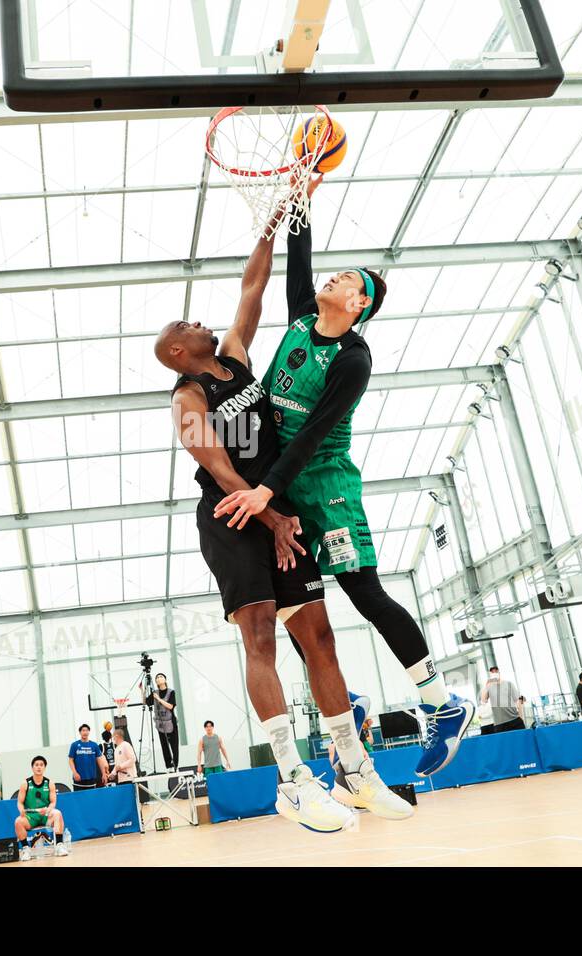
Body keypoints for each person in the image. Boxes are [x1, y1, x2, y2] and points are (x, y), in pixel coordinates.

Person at [154, 208, 411, 831]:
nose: (199, 320)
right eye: (186, 326)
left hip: (276, 507)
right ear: (178, 353)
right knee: (263, 634)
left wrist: (272, 226)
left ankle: (354, 769)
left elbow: (254, 287)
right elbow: (216, 467)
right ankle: (293, 779)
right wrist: (268, 515)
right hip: (233, 517)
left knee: (319, 636)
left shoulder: (236, 355)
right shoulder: (187, 399)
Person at [212, 173, 474, 778]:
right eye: (340, 273)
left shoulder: (354, 358)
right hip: (281, 485)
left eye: (350, 280)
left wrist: (264, 492)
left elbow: (308, 436)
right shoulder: (304, 317)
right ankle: (345, 704)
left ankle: (440, 702)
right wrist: (304, 186)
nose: (336, 277)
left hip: (322, 484)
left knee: (363, 590)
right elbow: (298, 253)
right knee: (298, 606)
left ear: (359, 305)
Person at [14, 756, 68, 861]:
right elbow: (20, 802)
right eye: (36, 765)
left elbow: (53, 802)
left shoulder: (49, 783)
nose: (39, 767)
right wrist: (21, 810)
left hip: (45, 816)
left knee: (57, 814)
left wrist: (48, 809)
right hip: (31, 817)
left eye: (41, 765)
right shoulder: (25, 784)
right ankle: (26, 849)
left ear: (44, 767)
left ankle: (59, 845)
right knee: (18, 822)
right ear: (32, 768)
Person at [145, 674, 181, 770]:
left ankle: (175, 765)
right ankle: (168, 766)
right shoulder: (155, 693)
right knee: (164, 746)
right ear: (156, 682)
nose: (159, 678)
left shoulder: (171, 692)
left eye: (161, 677)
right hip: (160, 724)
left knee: (174, 745)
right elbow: (146, 702)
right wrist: (142, 690)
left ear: (165, 679)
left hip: (170, 723)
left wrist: (158, 699)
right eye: (157, 678)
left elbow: (170, 706)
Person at [481, 666, 525, 733]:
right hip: (499, 724)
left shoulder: (509, 684)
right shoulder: (489, 687)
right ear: (490, 674)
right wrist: (486, 685)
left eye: (496, 671)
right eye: (492, 672)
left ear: (499, 673)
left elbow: (518, 701)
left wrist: (521, 717)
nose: (494, 673)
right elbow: (483, 701)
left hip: (515, 720)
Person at [68, 723, 109, 790]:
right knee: (79, 799)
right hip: (78, 779)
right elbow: (70, 760)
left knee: (91, 798)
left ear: (89, 732)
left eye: (87, 730)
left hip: (91, 778)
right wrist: (74, 773)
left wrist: (103, 774)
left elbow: (100, 760)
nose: (85, 732)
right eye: (83, 730)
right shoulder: (74, 745)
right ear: (80, 732)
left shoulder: (94, 745)